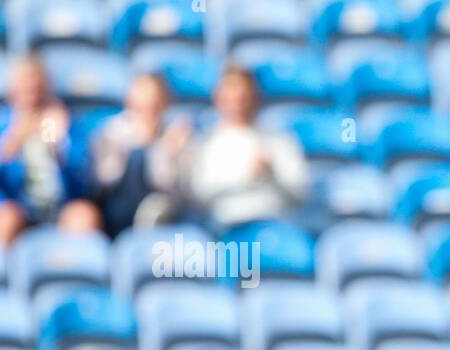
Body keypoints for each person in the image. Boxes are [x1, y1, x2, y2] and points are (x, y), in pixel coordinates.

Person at [186, 65, 308, 231]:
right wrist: (244, 177)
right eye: (231, 98)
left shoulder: (279, 141)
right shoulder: (206, 144)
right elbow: (199, 196)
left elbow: (300, 194)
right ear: (219, 99)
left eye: (243, 98)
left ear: (255, 98)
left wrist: (271, 173)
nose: (238, 105)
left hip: (274, 228)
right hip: (226, 228)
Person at [0, 55, 101, 244]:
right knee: (6, 219)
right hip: (18, 207)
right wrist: (15, 139)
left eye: (35, 84)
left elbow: (84, 179)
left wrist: (58, 141)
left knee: (84, 217)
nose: (30, 90)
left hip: (61, 207)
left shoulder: (63, 122)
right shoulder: (4, 124)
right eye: (24, 83)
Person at [92, 73, 191, 237]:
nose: (147, 112)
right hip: (116, 212)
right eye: (140, 106)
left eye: (153, 105)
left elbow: (172, 186)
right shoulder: (112, 131)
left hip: (163, 215)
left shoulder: (176, 133)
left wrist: (164, 153)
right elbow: (104, 180)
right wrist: (136, 143)